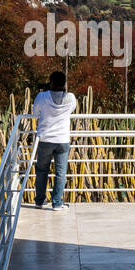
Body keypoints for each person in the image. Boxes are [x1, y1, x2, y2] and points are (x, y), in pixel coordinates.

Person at [32, 70, 77, 210]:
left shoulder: (42, 96)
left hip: (45, 139)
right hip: (62, 139)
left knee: (41, 171)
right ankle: (57, 203)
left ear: (51, 82)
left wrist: (44, 92)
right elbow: (71, 109)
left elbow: (35, 114)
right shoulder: (70, 98)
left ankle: (40, 201)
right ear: (64, 83)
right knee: (60, 172)